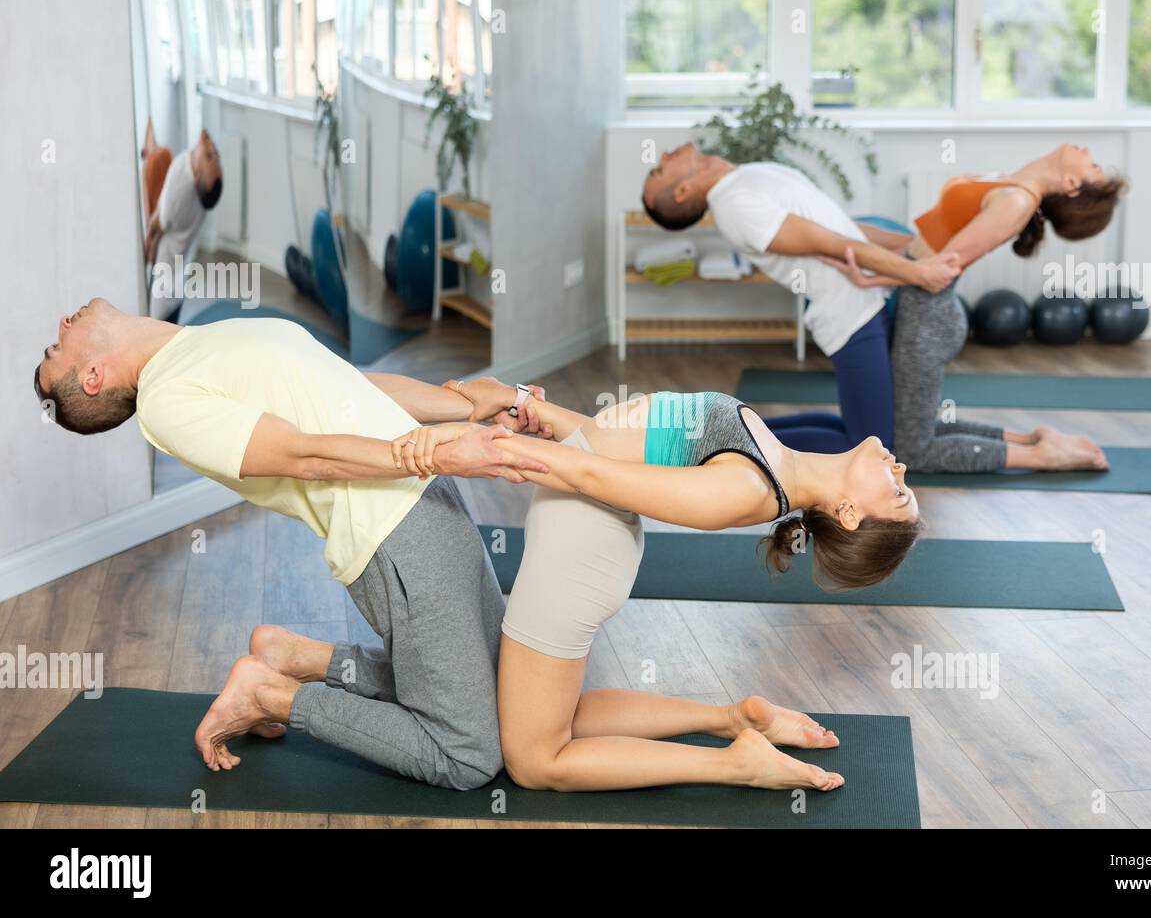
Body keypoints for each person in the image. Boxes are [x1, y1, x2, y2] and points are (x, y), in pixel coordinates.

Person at [32, 299, 550, 789]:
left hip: (427, 503)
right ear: (93, 376)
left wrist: (469, 402)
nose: (63, 324)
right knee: (467, 754)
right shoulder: (167, 402)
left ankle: (295, 655)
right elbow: (305, 457)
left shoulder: (195, 344)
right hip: (392, 533)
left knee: (500, 685)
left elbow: (351, 388)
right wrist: (442, 455)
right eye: (58, 347)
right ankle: (272, 695)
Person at [392, 378, 923, 792]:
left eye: (898, 492)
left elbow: (592, 476)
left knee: (535, 762)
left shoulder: (746, 486)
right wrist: (534, 408)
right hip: (580, 537)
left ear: (849, 514)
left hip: (577, 556)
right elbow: (626, 445)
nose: (899, 468)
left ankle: (734, 764)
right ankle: (730, 719)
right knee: (557, 714)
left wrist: (469, 445)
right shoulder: (772, 455)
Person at [807, 143, 1127, 474]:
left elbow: (938, 270)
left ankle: (1043, 458)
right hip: (921, 311)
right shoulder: (1009, 185)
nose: (1087, 150)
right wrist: (849, 237)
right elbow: (918, 245)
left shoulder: (1017, 202)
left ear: (1073, 184)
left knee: (913, 452)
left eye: (1093, 165)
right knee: (909, 433)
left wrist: (868, 279)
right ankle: (1031, 441)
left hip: (927, 323)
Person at [641, 142, 962, 449]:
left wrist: (912, 246)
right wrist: (921, 273)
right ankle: (710, 444)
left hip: (866, 304)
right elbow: (832, 245)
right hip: (851, 317)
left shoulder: (748, 176)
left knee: (868, 434)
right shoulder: (736, 205)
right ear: (683, 192)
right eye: (659, 170)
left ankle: (715, 434)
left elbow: (844, 229)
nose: (665, 156)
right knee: (871, 448)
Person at [140, 119, 224, 322]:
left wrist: (149, 242)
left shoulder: (181, 185)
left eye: (209, 155)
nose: (210, 144)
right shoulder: (199, 191)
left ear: (196, 175)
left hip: (164, 294)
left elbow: (159, 221)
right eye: (215, 154)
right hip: (176, 287)